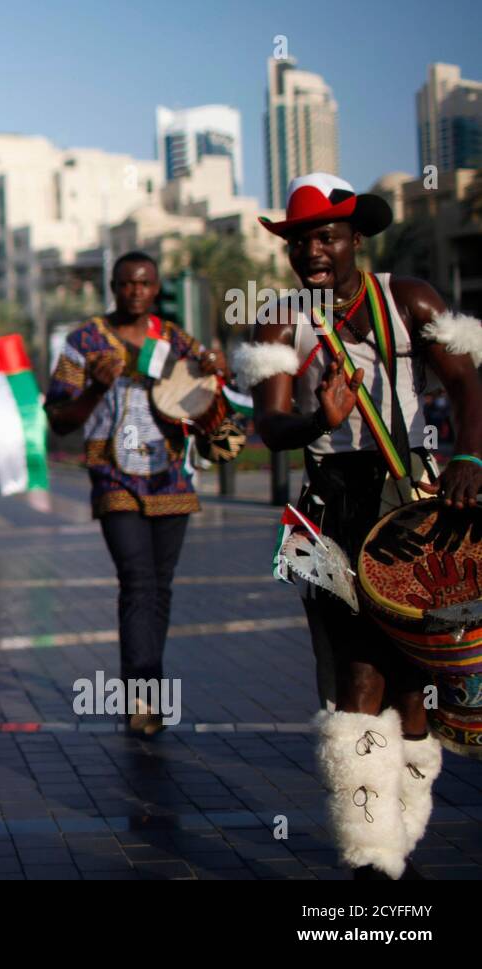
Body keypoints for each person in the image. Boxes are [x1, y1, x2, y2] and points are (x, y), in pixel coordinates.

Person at [234, 172, 482, 880]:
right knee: (355, 673)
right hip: (328, 508)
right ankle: (372, 855)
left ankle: (397, 830)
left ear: (355, 240)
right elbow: (273, 426)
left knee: (412, 681)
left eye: (327, 237)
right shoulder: (281, 320)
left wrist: (468, 457)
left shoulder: (410, 301)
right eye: (301, 240)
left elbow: (467, 384)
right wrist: (321, 418)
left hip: (412, 502)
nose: (314, 251)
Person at [46, 251, 226, 735]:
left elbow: (205, 390)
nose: (136, 292)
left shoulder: (172, 339)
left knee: (159, 585)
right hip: (113, 475)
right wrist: (91, 391)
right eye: (127, 284)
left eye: (145, 283)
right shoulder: (84, 341)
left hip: (171, 475)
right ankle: (140, 699)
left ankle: (151, 689)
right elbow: (57, 415)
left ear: (156, 286)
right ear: (113, 285)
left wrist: (216, 367)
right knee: (137, 580)